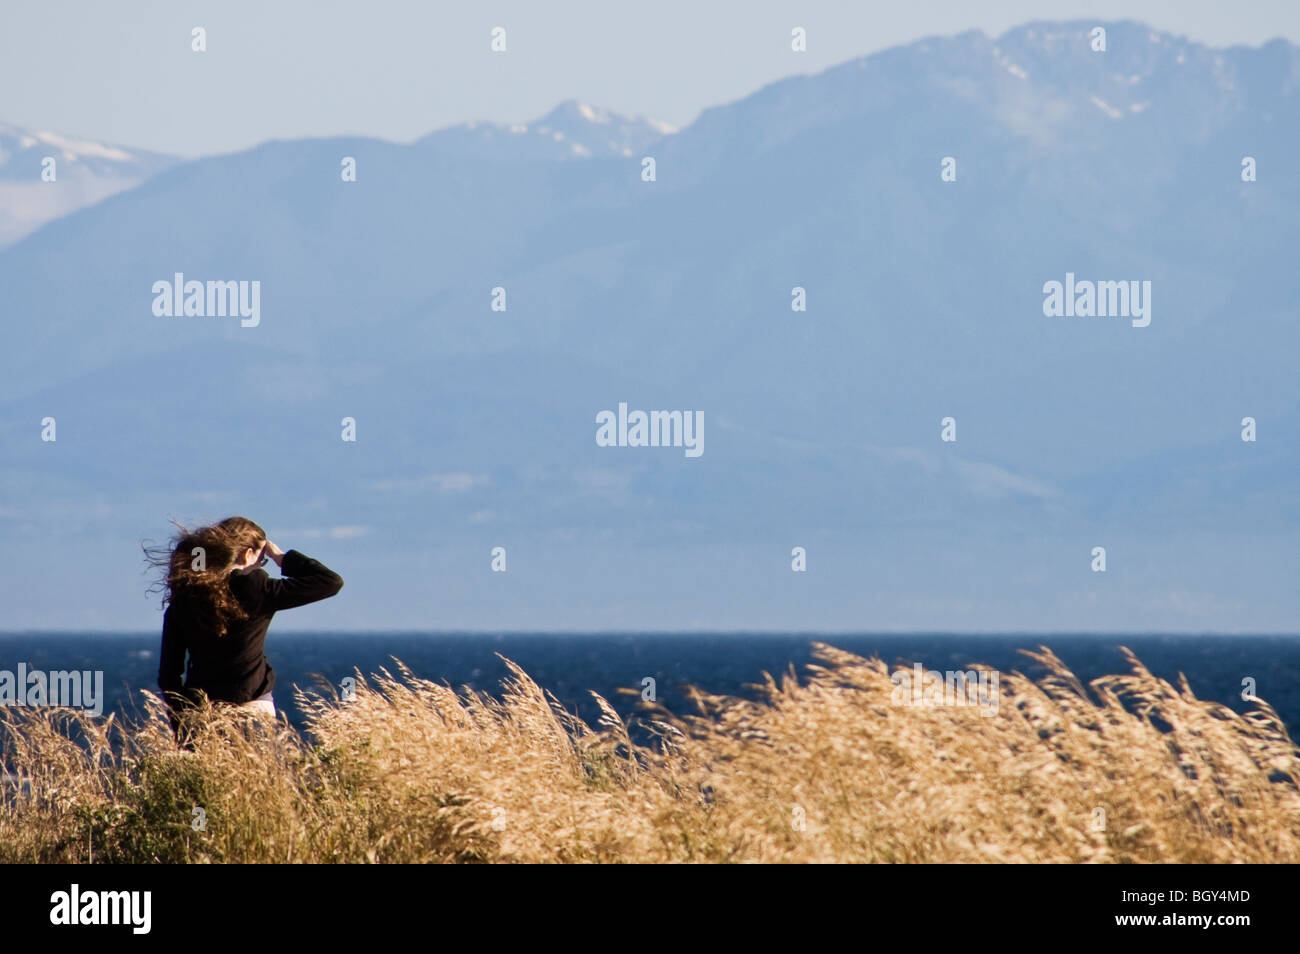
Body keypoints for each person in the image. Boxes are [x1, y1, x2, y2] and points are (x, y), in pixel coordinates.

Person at [146, 516, 343, 739]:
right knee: (255, 774)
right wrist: (281, 558)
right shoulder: (257, 590)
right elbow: (330, 582)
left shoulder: (185, 598)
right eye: (262, 559)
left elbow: (169, 675)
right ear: (247, 554)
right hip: (253, 708)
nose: (261, 564)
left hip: (203, 713)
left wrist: (182, 722)